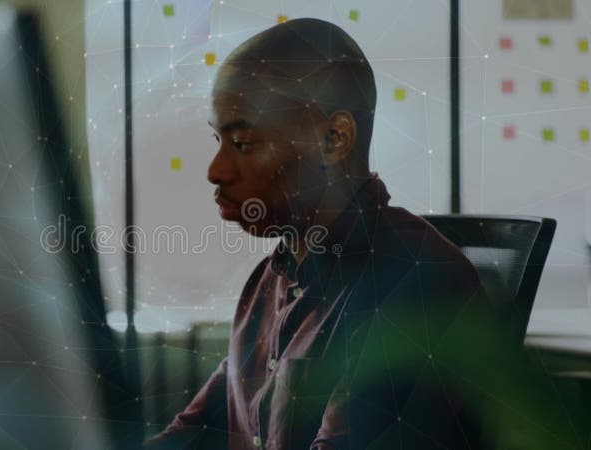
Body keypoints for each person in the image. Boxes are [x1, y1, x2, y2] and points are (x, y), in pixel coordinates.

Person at [145, 18, 495, 450]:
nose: (215, 170)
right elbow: (197, 430)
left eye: (244, 143)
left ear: (333, 139)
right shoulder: (270, 278)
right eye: (219, 140)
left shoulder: (415, 280)